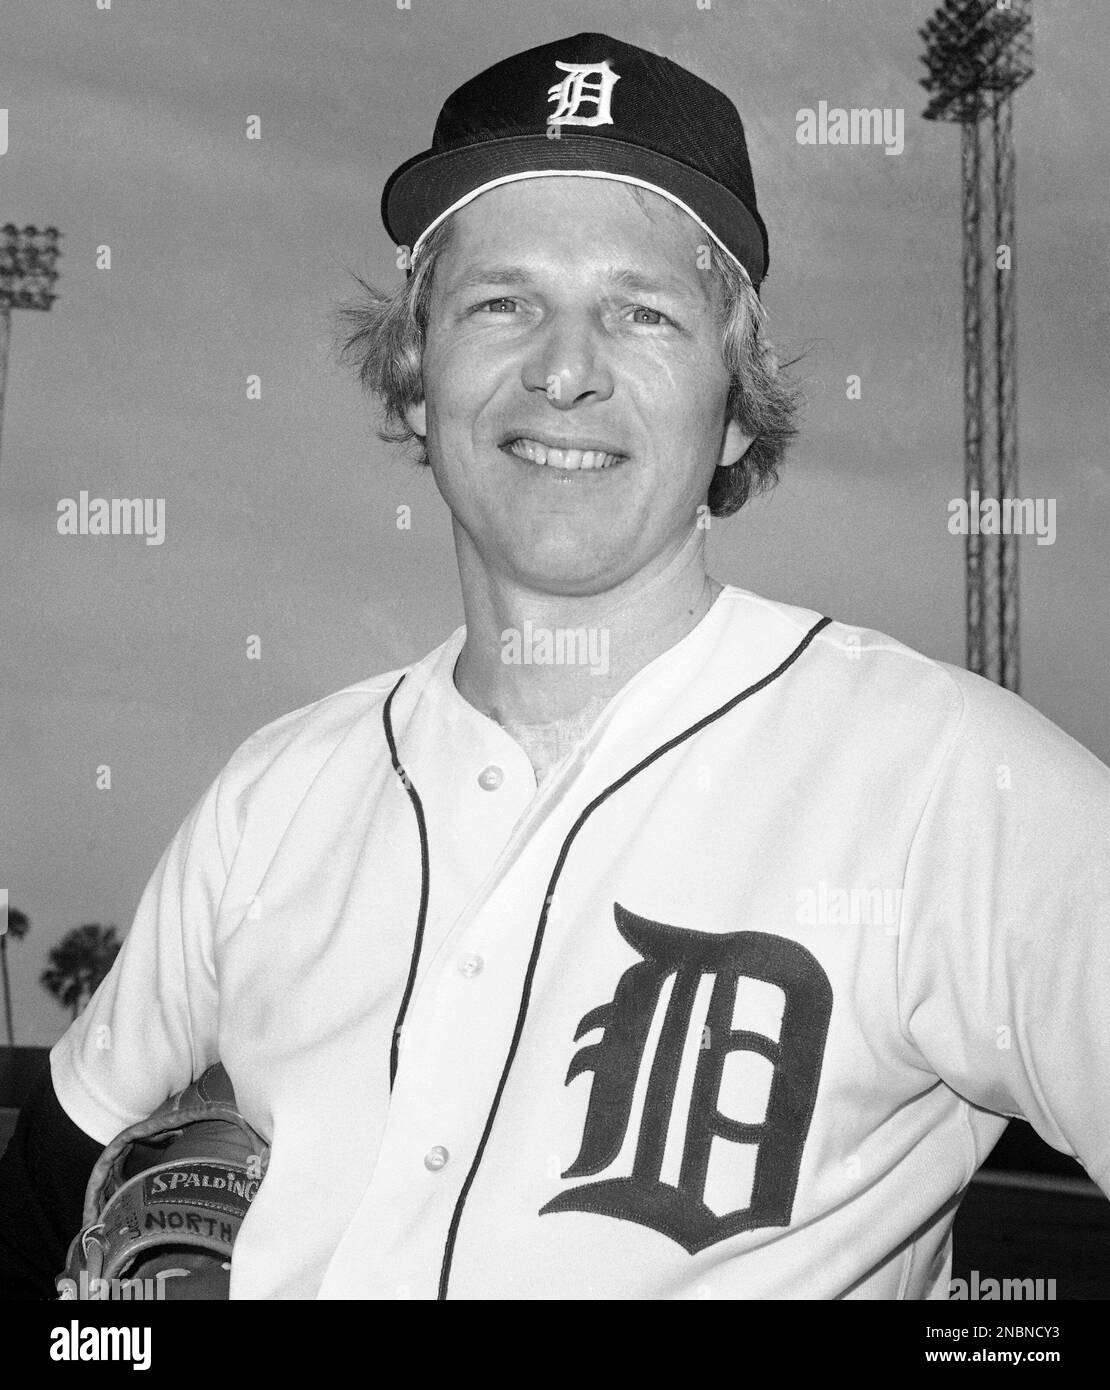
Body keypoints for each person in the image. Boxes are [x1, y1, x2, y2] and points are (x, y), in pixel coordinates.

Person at [2, 31, 1108, 1301]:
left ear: (736, 404)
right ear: (418, 381)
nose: (566, 369)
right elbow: (36, 1213)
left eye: (641, 311)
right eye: (502, 302)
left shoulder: (953, 788)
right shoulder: (273, 799)